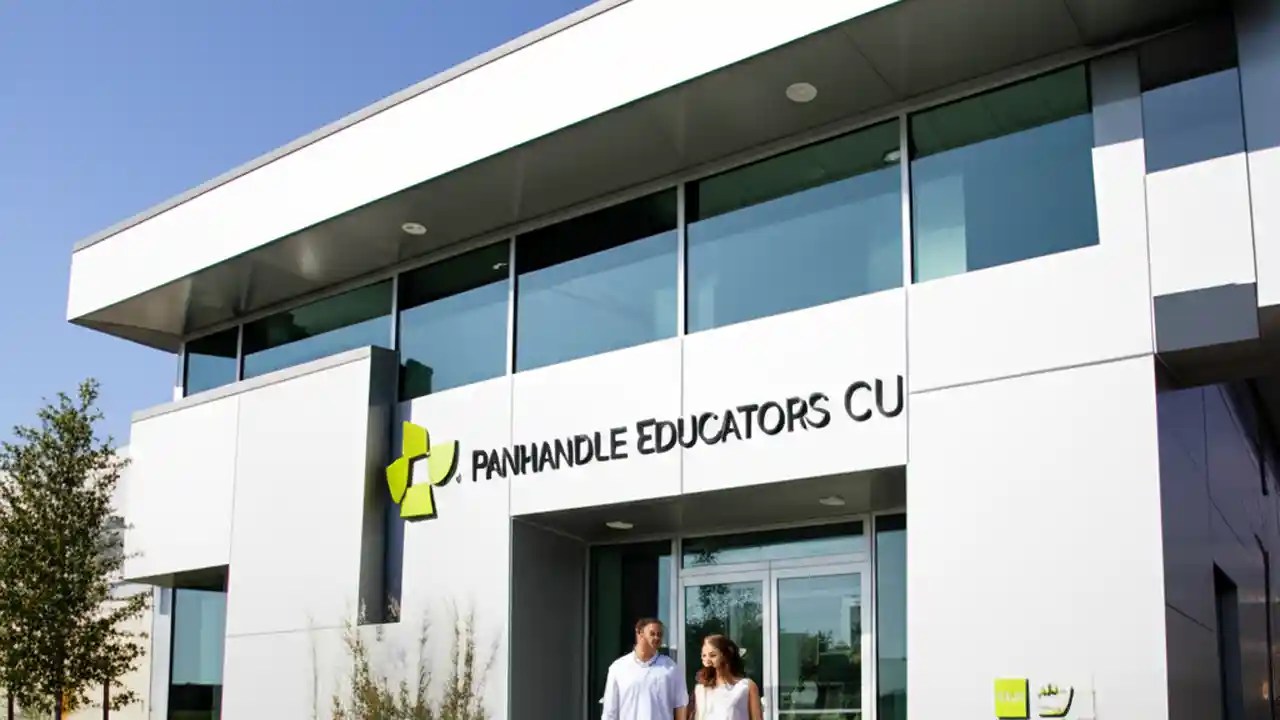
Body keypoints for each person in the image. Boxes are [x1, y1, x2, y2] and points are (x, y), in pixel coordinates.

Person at [601, 618, 689, 720]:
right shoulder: (618, 668)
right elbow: (610, 711)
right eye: (652, 633)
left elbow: (680, 706)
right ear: (639, 633)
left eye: (659, 634)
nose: (656, 637)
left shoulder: (671, 668)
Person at [690, 635, 763, 720]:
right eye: (704, 656)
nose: (708, 660)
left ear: (726, 656)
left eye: (713, 655)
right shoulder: (701, 689)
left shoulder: (746, 686)